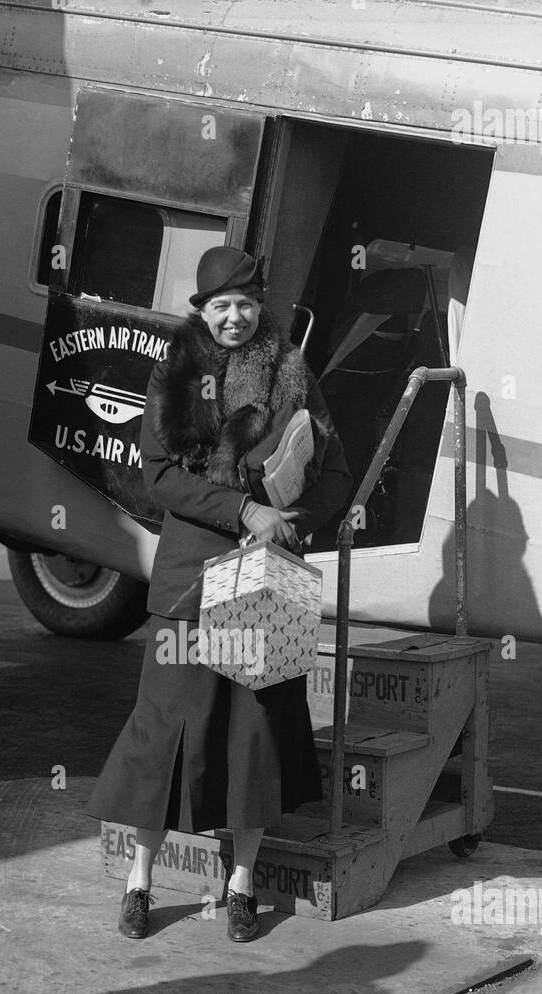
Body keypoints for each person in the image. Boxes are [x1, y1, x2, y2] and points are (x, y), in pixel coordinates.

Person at [85, 247, 352, 942]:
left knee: (254, 731)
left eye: (245, 303)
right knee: (166, 727)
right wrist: (244, 513)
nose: (234, 317)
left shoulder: (292, 372)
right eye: (220, 305)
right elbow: (160, 477)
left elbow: (336, 471)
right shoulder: (173, 375)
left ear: (261, 306)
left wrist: (292, 520)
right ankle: (139, 882)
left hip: (267, 580)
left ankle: (241, 884)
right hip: (190, 584)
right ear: (200, 311)